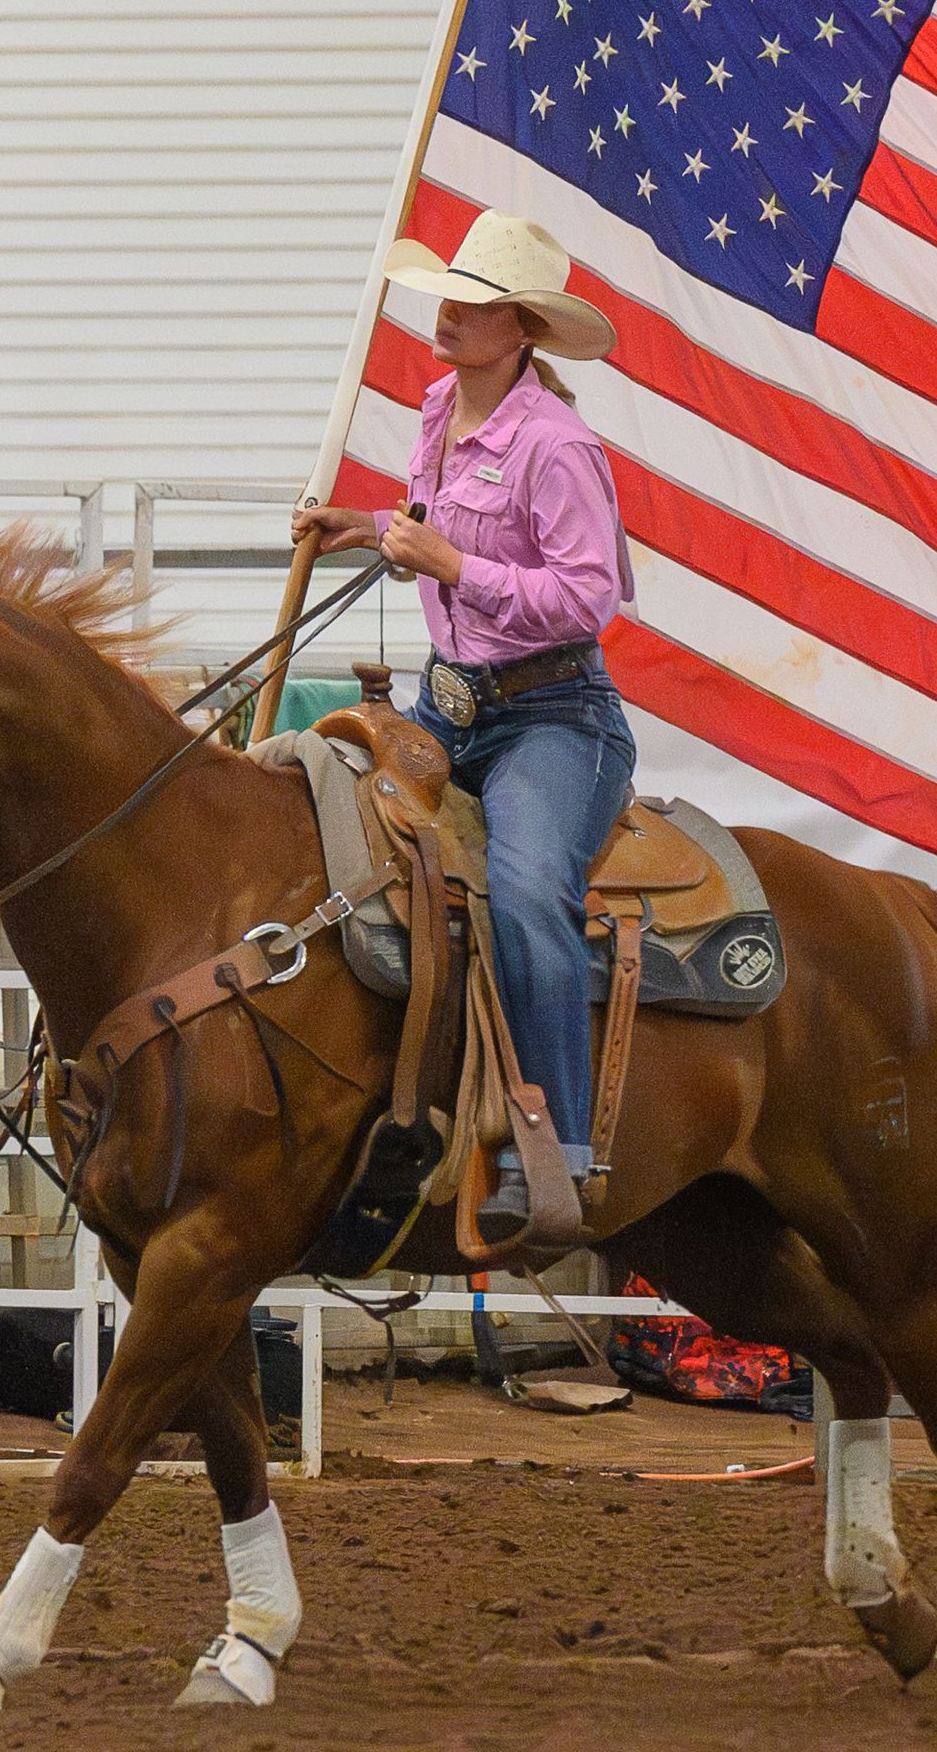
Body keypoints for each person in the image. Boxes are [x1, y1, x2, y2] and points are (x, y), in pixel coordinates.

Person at [292, 211, 635, 1240]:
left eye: (474, 304)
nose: (447, 314)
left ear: (521, 327)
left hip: (553, 717)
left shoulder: (559, 445)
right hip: (455, 706)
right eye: (448, 294)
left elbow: (587, 598)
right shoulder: (443, 403)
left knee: (530, 890)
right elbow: (441, 522)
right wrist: (370, 527)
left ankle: (559, 1152)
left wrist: (450, 569)